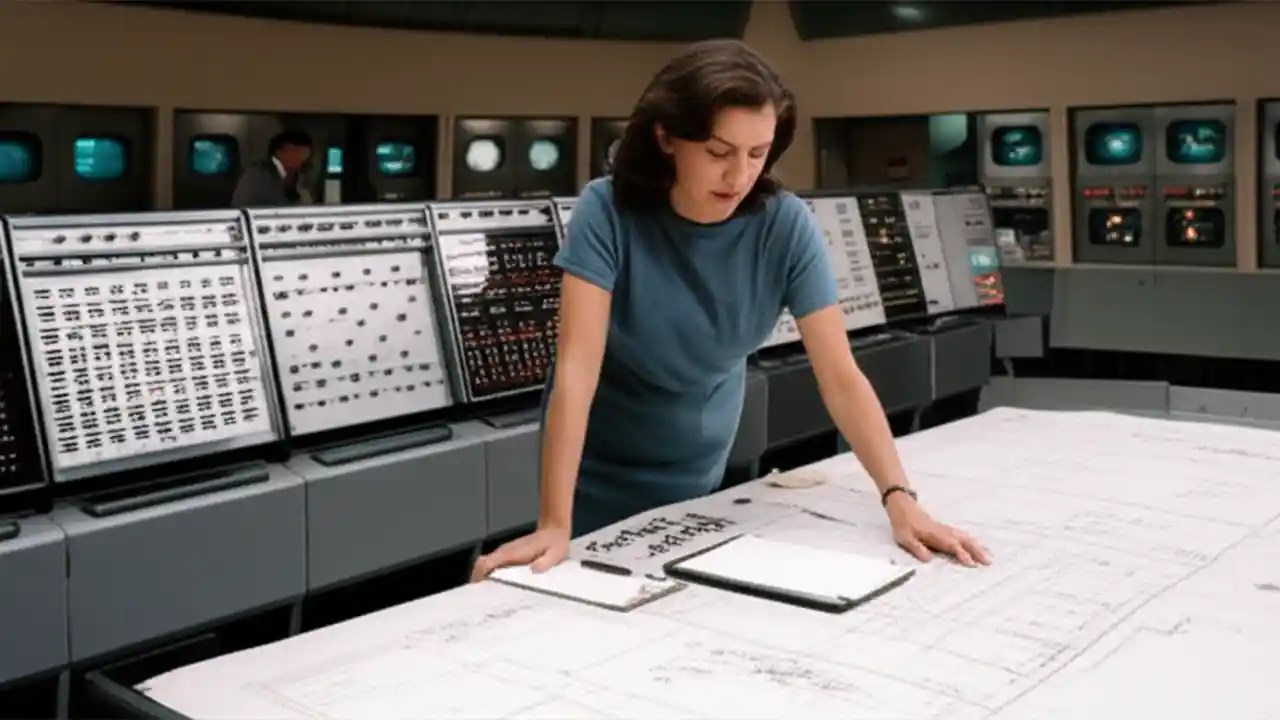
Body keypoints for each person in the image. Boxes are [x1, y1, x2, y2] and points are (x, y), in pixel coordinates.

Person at [471, 39, 991, 581]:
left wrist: (899, 498)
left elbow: (840, 375)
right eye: (719, 152)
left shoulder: (784, 226)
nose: (739, 176)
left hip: (701, 479)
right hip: (594, 480)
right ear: (667, 136)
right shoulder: (607, 211)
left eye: (757, 153)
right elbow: (576, 371)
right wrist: (555, 522)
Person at [230, 130, 312, 207]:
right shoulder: (256, 174)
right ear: (280, 152)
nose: (303, 158)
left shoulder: (298, 176)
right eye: (297, 152)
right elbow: (240, 205)